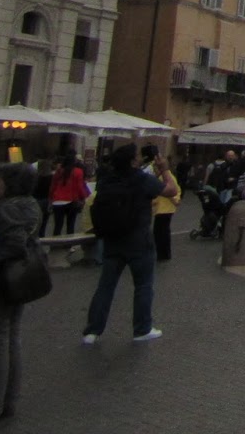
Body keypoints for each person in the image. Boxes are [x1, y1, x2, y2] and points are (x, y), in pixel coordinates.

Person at [81, 143, 178, 344]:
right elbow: (171, 190)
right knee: (143, 285)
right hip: (138, 240)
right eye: (137, 156)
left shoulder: (107, 179)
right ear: (133, 161)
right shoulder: (141, 179)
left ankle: (92, 331)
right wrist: (165, 169)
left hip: (113, 238)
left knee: (105, 286)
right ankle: (142, 328)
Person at [0, 162, 43, 422]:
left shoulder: (8, 208)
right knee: (11, 339)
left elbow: (16, 245)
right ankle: (8, 402)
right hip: (20, 279)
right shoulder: (30, 205)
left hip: (1, 279)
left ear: (10, 184)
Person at [147, 149, 180, 262]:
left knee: (161, 232)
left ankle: (164, 254)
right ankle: (163, 253)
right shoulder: (164, 177)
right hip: (162, 208)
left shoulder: (166, 177)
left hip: (165, 209)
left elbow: (175, 191)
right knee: (161, 232)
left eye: (156, 168)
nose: (155, 170)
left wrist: (174, 199)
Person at [48, 153, 87, 236]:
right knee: (70, 225)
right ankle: (69, 245)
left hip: (57, 200)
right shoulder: (78, 171)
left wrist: (51, 198)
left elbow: (53, 186)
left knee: (58, 225)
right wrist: (83, 197)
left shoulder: (58, 171)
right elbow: (79, 187)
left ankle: (55, 244)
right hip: (72, 200)